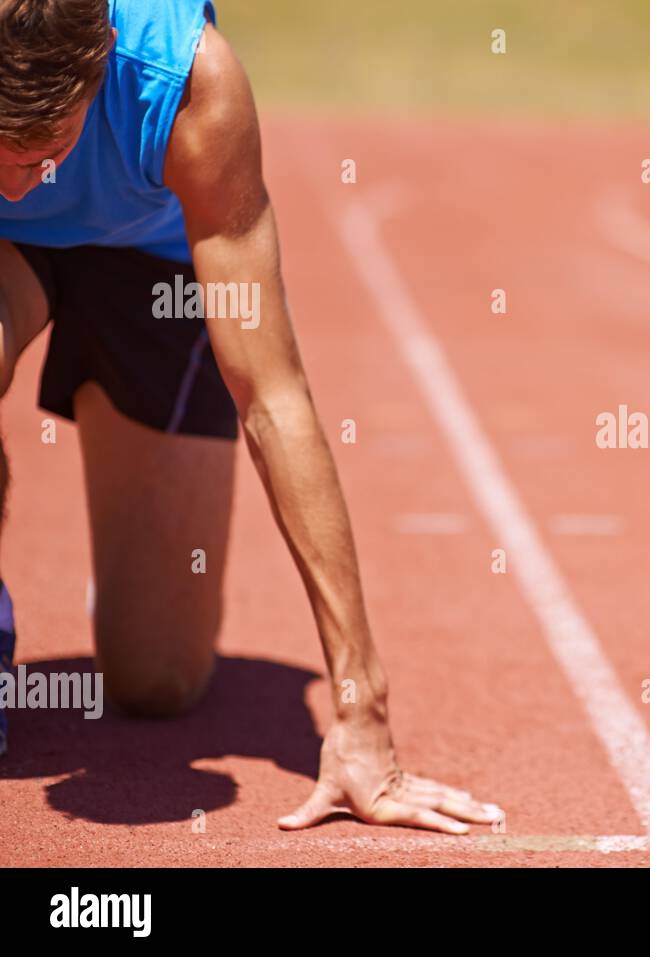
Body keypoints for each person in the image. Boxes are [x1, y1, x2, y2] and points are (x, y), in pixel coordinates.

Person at [0, 0, 500, 833]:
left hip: (153, 257)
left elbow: (272, 395)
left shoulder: (192, 84)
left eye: (45, 150)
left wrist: (362, 714)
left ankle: (133, 539)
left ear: (105, 64)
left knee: (156, 682)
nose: (17, 182)